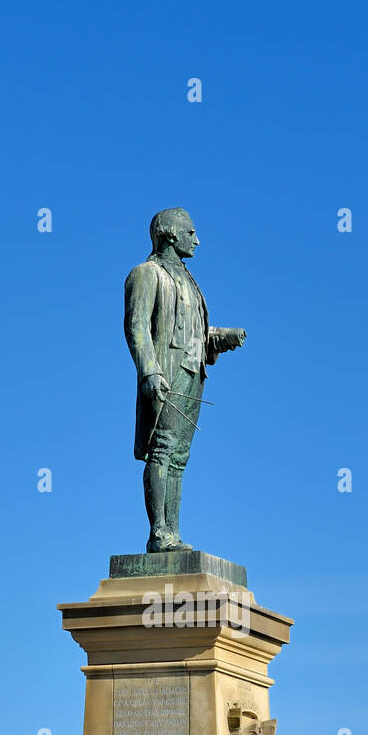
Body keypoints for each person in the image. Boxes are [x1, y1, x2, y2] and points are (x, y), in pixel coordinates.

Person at [124, 207, 246, 552]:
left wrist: (221, 337)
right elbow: (136, 328)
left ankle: (173, 533)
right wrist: (149, 370)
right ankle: (159, 534)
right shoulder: (146, 274)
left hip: (193, 372)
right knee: (161, 450)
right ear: (169, 234)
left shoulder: (191, 280)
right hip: (166, 370)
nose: (197, 240)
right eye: (191, 233)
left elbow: (195, 333)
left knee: (179, 456)